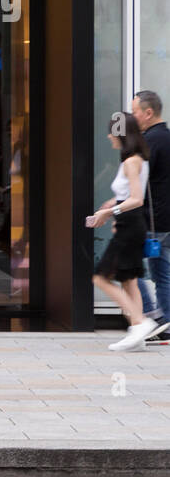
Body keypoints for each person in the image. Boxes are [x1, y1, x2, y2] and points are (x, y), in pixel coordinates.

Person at [89, 112, 155, 352]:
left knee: (100, 277)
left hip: (129, 226)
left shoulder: (131, 162)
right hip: (131, 224)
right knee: (129, 281)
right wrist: (110, 205)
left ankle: (139, 322)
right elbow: (128, 195)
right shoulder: (136, 159)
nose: (109, 136)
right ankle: (137, 336)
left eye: (112, 131)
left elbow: (136, 199)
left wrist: (110, 212)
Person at [130, 90, 170, 341]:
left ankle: (151, 317)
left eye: (135, 112)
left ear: (148, 112)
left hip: (151, 218)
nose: (133, 118)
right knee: (162, 272)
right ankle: (165, 323)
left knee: (129, 269)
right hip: (165, 219)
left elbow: (139, 182)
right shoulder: (166, 137)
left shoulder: (150, 142)